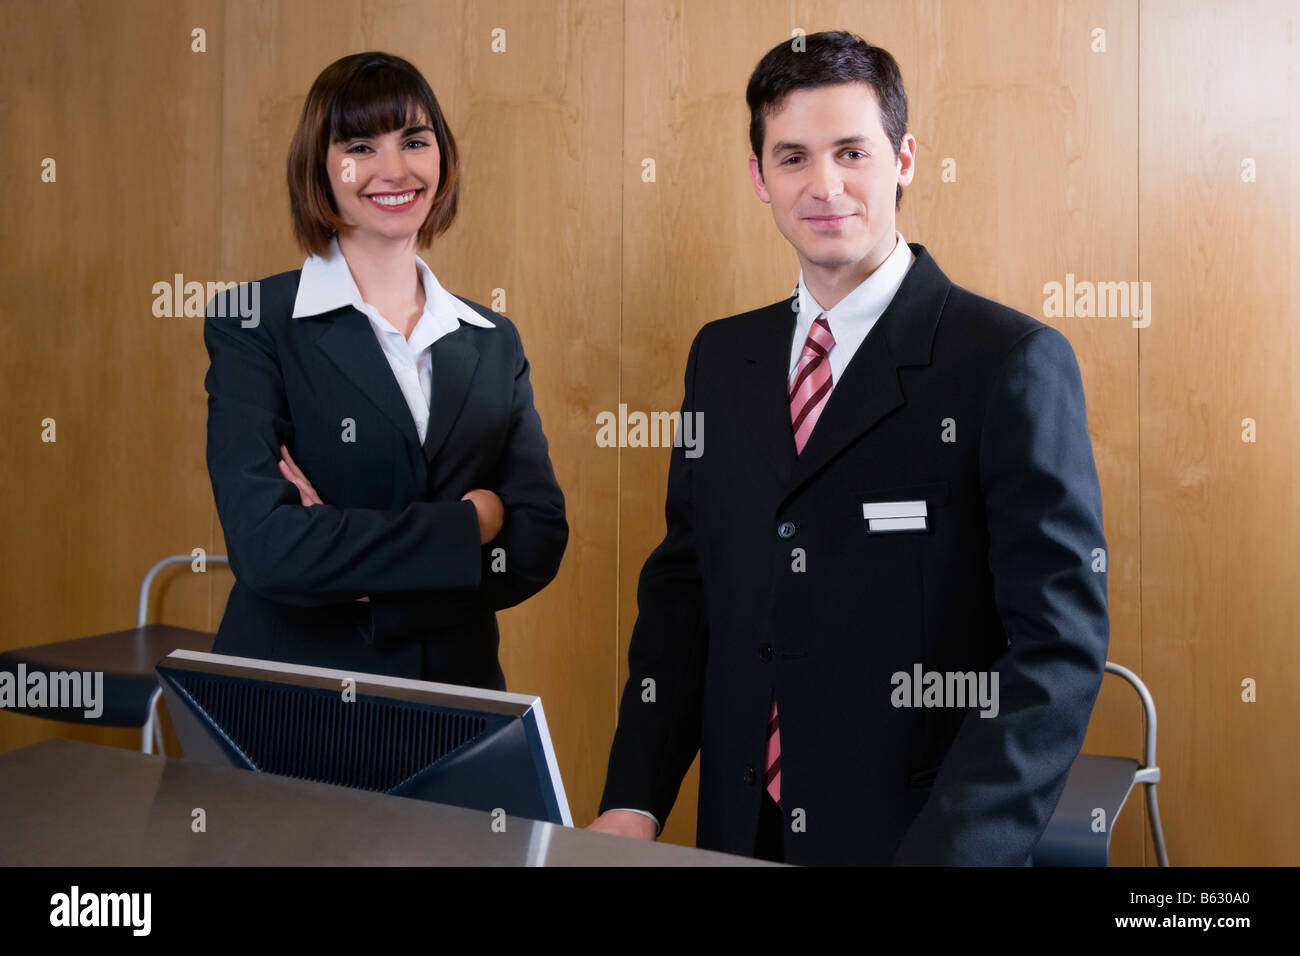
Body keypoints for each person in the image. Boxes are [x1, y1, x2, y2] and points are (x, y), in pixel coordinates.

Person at [589, 31, 1110, 865]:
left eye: (852, 152)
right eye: (793, 157)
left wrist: (951, 853)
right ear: (760, 178)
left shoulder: (1007, 361)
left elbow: (1056, 647)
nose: (824, 185)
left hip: (913, 839)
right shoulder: (722, 358)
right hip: (738, 830)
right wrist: (634, 797)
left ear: (903, 160)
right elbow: (685, 594)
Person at [203, 52, 567, 690]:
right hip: (296, 702)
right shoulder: (254, 321)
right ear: (320, 166)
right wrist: (473, 524)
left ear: (442, 157)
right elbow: (269, 548)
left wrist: (358, 575)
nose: (394, 170)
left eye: (415, 141)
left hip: (457, 703)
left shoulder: (493, 340)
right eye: (360, 147)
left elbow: (537, 544)